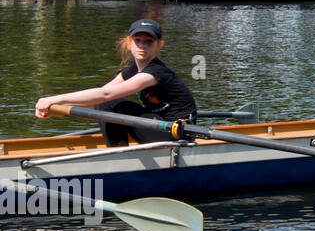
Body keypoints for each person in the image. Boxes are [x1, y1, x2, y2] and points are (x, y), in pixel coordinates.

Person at [34, 18, 199, 147]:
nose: (142, 45)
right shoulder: (133, 70)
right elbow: (99, 96)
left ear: (159, 45)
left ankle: (116, 155)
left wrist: (54, 99)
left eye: (149, 41)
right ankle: (116, 151)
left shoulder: (156, 72)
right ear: (129, 43)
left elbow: (106, 95)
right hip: (158, 127)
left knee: (110, 103)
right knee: (106, 104)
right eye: (138, 40)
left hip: (178, 133)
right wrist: (58, 111)